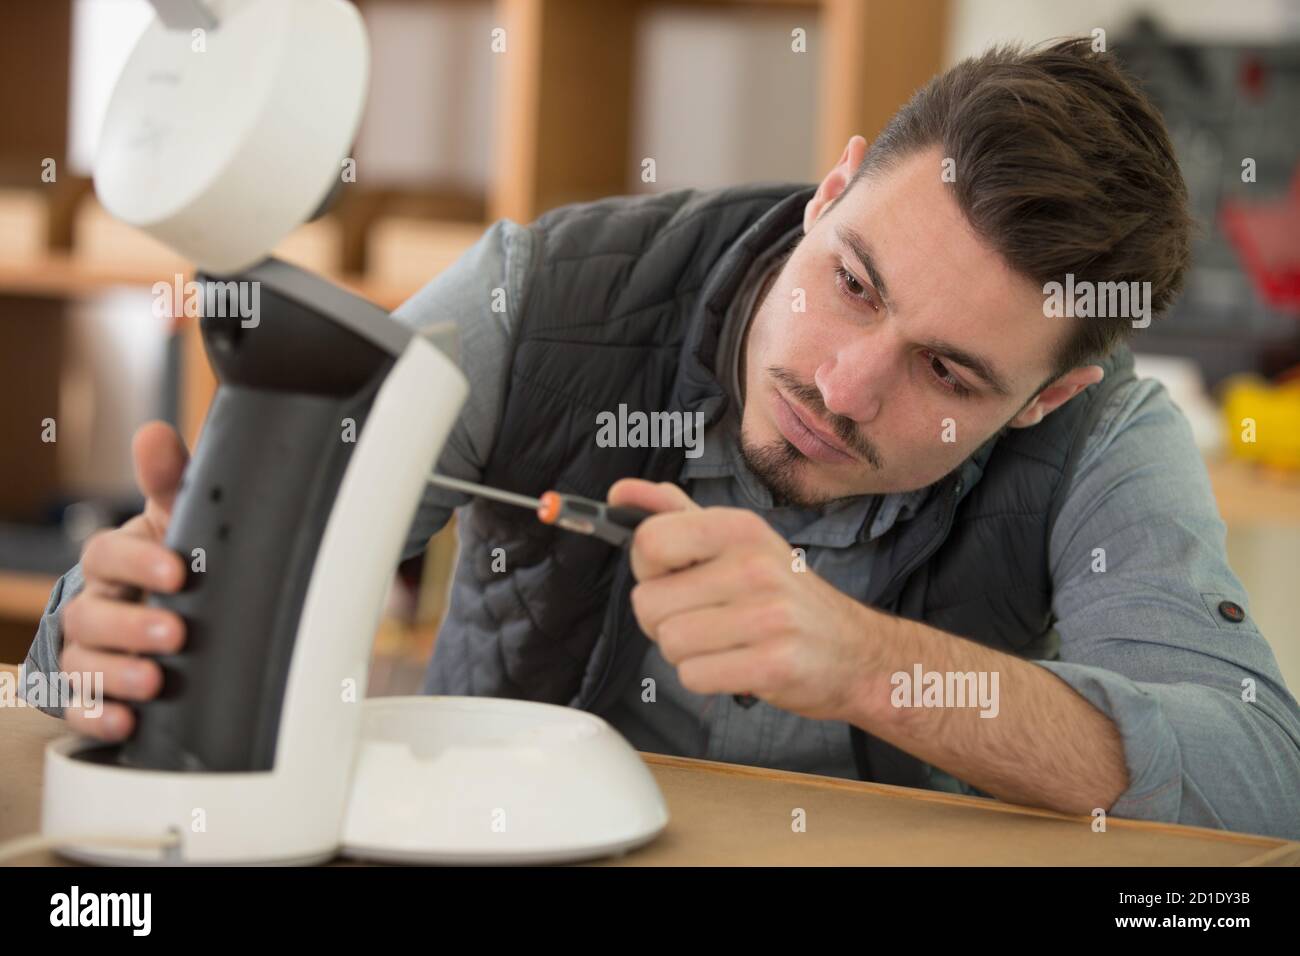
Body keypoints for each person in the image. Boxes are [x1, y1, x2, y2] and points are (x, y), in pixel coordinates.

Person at [23, 39, 1300, 838]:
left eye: (948, 370)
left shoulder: (1105, 434)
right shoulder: (546, 295)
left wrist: (867, 663)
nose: (845, 385)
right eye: (852, 278)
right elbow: (141, 630)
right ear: (833, 186)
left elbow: (1259, 779)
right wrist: (121, 622)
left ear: (1043, 399)